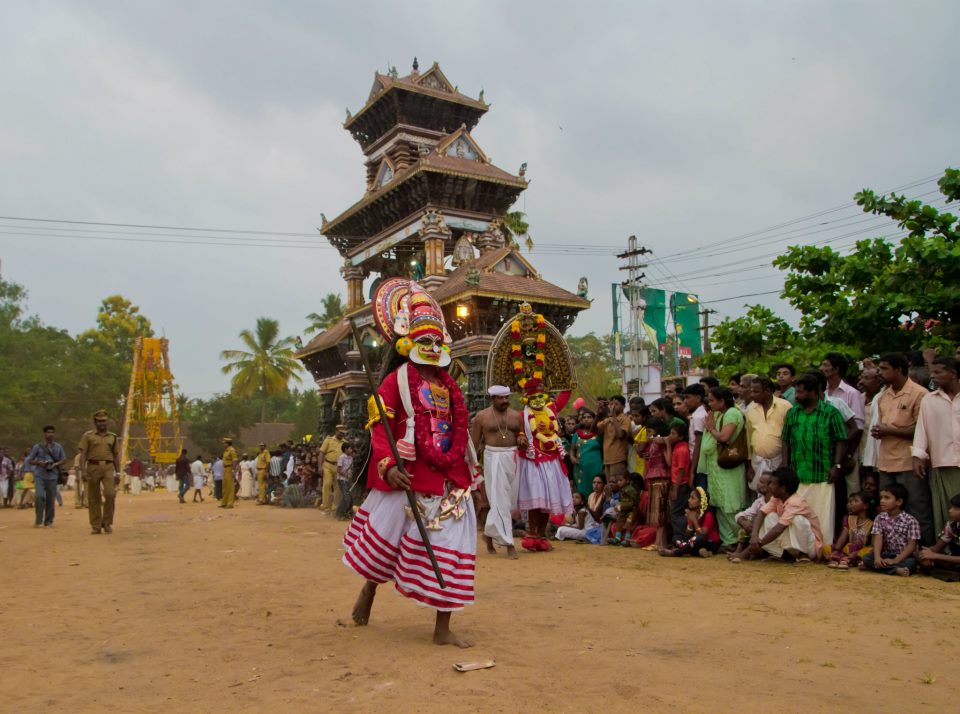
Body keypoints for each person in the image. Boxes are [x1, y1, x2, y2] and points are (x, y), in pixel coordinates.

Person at [342, 279, 477, 647]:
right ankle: (368, 591)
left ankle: (442, 628)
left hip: (450, 478)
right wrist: (387, 465)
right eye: (424, 342)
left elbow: (459, 430)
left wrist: (470, 473)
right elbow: (380, 429)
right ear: (407, 343)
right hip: (408, 474)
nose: (432, 349)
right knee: (388, 543)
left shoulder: (451, 387)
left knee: (454, 548)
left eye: (437, 343)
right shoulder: (393, 382)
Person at [781, 373, 848, 547]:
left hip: (823, 474)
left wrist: (837, 465)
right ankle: (800, 549)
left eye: (801, 392)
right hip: (797, 475)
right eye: (796, 392)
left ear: (815, 392)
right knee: (797, 516)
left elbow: (841, 439)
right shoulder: (792, 413)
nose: (797, 396)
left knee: (822, 516)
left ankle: (822, 550)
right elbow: (786, 440)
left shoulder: (830, 412)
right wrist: (785, 465)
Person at [874, 353, 932, 544]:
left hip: (909, 462)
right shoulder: (883, 396)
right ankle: (893, 550)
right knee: (888, 510)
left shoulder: (920, 393)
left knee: (916, 508)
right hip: (886, 461)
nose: (879, 372)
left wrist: (889, 430)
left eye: (884, 368)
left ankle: (923, 552)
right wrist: (881, 431)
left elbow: (923, 429)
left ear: (898, 370)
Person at [471, 385, 525, 559]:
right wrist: (474, 465)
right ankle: (509, 543)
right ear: (492, 399)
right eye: (501, 398)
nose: (505, 401)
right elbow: (474, 443)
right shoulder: (482, 417)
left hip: (513, 457)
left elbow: (522, 436)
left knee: (508, 502)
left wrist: (522, 439)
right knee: (500, 500)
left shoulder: (516, 416)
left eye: (506, 397)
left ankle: (488, 534)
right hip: (492, 457)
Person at [517, 385, 572, 551]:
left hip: (552, 461)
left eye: (541, 396)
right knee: (537, 499)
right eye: (534, 398)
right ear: (526, 400)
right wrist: (520, 438)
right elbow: (518, 433)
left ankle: (541, 537)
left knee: (548, 500)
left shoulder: (551, 410)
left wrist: (567, 378)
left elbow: (565, 393)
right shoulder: (522, 416)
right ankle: (531, 535)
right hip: (533, 462)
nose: (538, 401)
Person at [912, 357, 960, 537]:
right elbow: (922, 429)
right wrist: (918, 455)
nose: (933, 376)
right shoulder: (929, 400)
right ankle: (948, 552)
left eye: (938, 372)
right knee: (947, 510)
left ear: (953, 374)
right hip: (942, 462)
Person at [740, 466, 823, 562]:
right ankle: (784, 555)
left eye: (773, 484)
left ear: (783, 488)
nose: (769, 486)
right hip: (793, 547)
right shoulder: (776, 498)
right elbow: (761, 513)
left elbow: (779, 529)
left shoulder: (795, 502)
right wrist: (754, 536)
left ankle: (803, 555)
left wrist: (755, 546)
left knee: (798, 519)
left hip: (811, 548)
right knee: (770, 517)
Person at [701, 387, 748, 549]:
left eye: (713, 400)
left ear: (722, 401)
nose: (710, 403)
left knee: (731, 503)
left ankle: (739, 540)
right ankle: (729, 541)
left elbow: (725, 437)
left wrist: (711, 428)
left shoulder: (732, 414)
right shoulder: (720, 414)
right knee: (721, 504)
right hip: (717, 466)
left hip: (729, 465)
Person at [744, 377, 791, 494]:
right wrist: (749, 466)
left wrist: (785, 463)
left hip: (779, 461)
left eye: (756, 392)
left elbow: (791, 437)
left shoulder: (785, 406)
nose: (752, 395)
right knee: (759, 498)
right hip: (757, 461)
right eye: (751, 391)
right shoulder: (751, 410)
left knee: (777, 496)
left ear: (768, 391)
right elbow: (749, 438)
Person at [862, 482, 920, 576]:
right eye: (881, 497)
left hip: (905, 556)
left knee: (911, 563)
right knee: (867, 558)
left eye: (887, 498)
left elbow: (911, 546)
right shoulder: (880, 518)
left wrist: (895, 560)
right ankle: (895, 570)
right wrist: (877, 557)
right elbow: (878, 538)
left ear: (899, 502)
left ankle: (883, 567)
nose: (882, 501)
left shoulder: (911, 521)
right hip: (887, 554)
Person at [77, 411, 120, 535]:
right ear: (95, 422)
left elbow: (116, 455)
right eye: (99, 421)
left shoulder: (112, 436)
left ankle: (107, 523)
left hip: (108, 466)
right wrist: (83, 471)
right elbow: (83, 454)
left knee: (110, 494)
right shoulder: (88, 436)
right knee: (94, 497)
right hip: (93, 467)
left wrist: (118, 473)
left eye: (104, 421)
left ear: (107, 422)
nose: (102, 423)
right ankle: (96, 525)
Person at [658, 487, 719, 557]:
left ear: (700, 502)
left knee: (697, 539)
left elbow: (703, 534)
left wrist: (694, 520)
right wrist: (690, 524)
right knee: (677, 538)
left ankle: (674, 553)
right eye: (690, 497)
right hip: (696, 541)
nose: (689, 500)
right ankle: (698, 552)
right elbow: (688, 535)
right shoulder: (693, 512)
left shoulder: (708, 515)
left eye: (692, 498)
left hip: (710, 543)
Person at [28, 425, 66, 528]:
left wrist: (55, 464)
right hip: (40, 474)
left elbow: (63, 459)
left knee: (50, 499)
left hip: (53, 475)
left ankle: (48, 521)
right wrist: (39, 463)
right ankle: (38, 519)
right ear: (44, 434)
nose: (50, 434)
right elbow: (30, 460)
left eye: (52, 432)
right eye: (48, 432)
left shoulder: (58, 446)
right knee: (39, 496)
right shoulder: (38, 446)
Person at [728, 472, 772, 561]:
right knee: (746, 520)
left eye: (762, 482)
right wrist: (744, 522)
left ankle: (746, 554)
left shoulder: (776, 501)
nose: (759, 484)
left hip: (770, 537)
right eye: (759, 481)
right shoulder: (759, 501)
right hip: (757, 536)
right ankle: (739, 550)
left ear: (771, 486)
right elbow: (740, 515)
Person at [824, 492, 873, 570]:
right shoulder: (849, 519)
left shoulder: (872, 523)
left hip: (861, 550)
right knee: (827, 547)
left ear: (865, 506)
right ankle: (843, 559)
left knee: (869, 551)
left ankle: (847, 560)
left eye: (856, 501)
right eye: (851, 501)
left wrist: (857, 553)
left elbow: (872, 545)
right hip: (849, 549)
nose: (851, 503)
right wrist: (836, 550)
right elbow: (843, 536)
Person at [664, 420, 692, 542]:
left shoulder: (682, 449)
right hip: (677, 483)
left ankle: (680, 536)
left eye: (673, 434)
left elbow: (681, 470)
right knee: (675, 511)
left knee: (676, 513)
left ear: (680, 436)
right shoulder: (678, 447)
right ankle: (679, 536)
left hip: (681, 484)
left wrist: (675, 488)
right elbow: (670, 463)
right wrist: (668, 445)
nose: (670, 436)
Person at [918, 493, 960, 573]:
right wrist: (926, 554)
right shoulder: (952, 525)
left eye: (956, 508)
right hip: (954, 560)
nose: (950, 510)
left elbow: (936, 555)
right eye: (951, 507)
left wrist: (936, 556)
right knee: (918, 554)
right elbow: (936, 548)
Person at [596, 395, 631, 485]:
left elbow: (620, 434)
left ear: (623, 406)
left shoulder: (625, 419)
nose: (613, 406)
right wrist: (599, 413)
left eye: (616, 404)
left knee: (618, 485)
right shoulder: (608, 419)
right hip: (607, 459)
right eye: (611, 404)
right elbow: (596, 429)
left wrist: (614, 418)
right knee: (610, 486)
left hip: (618, 459)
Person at [570, 410, 602, 501]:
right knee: (582, 491)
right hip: (580, 467)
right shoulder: (577, 434)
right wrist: (572, 457)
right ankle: (583, 510)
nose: (586, 419)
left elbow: (604, 450)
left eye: (589, 417)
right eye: (584, 418)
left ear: (594, 419)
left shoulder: (599, 434)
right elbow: (572, 450)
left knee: (596, 488)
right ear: (581, 420)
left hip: (596, 466)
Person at [682, 384, 708, 491]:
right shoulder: (698, 414)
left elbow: (698, 443)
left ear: (698, 398)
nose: (685, 401)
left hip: (698, 463)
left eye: (688, 397)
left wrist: (692, 471)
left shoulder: (698, 416)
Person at [318, 425, 346, 513]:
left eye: (343, 433)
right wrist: (320, 466)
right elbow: (321, 453)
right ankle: (326, 506)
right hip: (327, 464)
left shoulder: (345, 442)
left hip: (339, 467)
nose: (341, 434)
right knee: (327, 483)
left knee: (337, 487)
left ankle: (335, 506)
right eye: (340, 432)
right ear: (336, 431)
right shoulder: (328, 440)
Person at [611, 473, 638, 546]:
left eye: (621, 480)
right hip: (624, 510)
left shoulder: (630, 489)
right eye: (617, 481)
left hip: (632, 511)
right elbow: (622, 500)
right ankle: (617, 539)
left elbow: (634, 501)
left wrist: (622, 506)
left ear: (627, 481)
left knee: (629, 524)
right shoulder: (621, 490)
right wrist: (618, 505)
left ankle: (627, 540)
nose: (618, 482)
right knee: (619, 522)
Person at [335, 443, 355, 520]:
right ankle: (340, 514)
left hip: (348, 480)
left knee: (349, 496)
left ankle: (346, 513)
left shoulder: (351, 458)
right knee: (345, 497)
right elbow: (338, 470)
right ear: (345, 449)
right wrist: (346, 475)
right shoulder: (341, 457)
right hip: (342, 479)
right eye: (350, 448)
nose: (351, 450)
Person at [220, 437, 238, 508]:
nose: (223, 444)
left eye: (224, 443)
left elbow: (235, 461)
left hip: (230, 469)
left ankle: (230, 503)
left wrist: (234, 470)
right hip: (225, 469)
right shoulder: (226, 451)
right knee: (225, 486)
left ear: (227, 443)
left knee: (230, 487)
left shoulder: (232, 450)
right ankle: (224, 502)